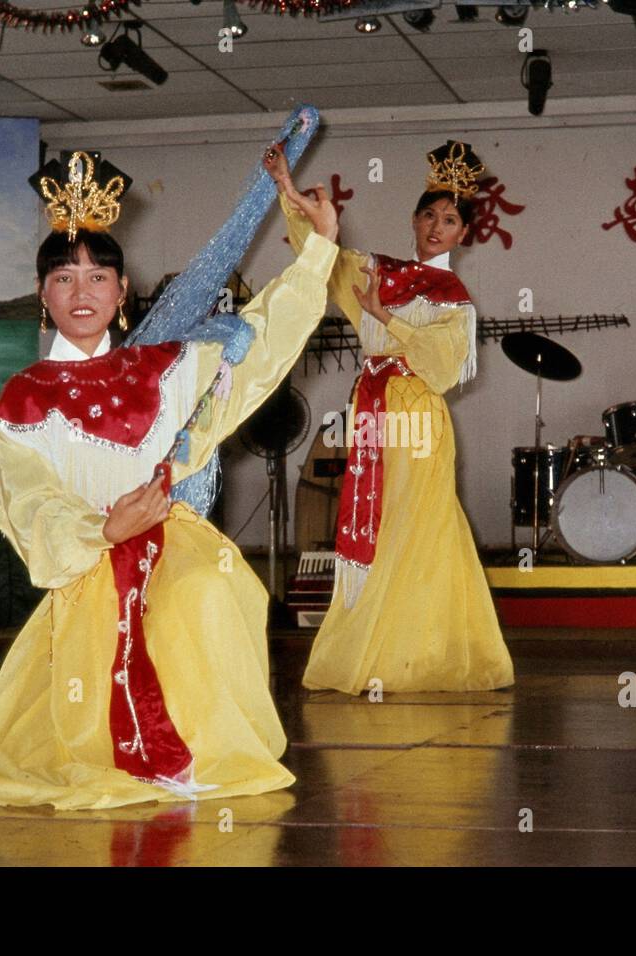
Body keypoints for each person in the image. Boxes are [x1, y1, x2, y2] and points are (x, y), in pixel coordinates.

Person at [0, 148, 340, 809]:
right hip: (88, 560)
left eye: (98, 277)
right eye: (65, 279)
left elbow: (264, 345)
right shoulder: (26, 394)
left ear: (122, 292)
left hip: (169, 541)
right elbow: (30, 496)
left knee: (213, 591)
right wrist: (101, 528)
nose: (82, 292)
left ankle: (202, 749)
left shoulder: (167, 368)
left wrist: (320, 247)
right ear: (42, 295)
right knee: (83, 712)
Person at [266, 141, 514, 695]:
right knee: (377, 522)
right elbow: (320, 255)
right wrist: (288, 190)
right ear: (415, 217)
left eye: (450, 220)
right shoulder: (376, 270)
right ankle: (373, 648)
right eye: (429, 213)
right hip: (373, 406)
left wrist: (390, 321)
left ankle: (418, 651)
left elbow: (446, 368)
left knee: (418, 523)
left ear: (464, 234)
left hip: (417, 411)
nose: (436, 225)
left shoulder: (455, 298)